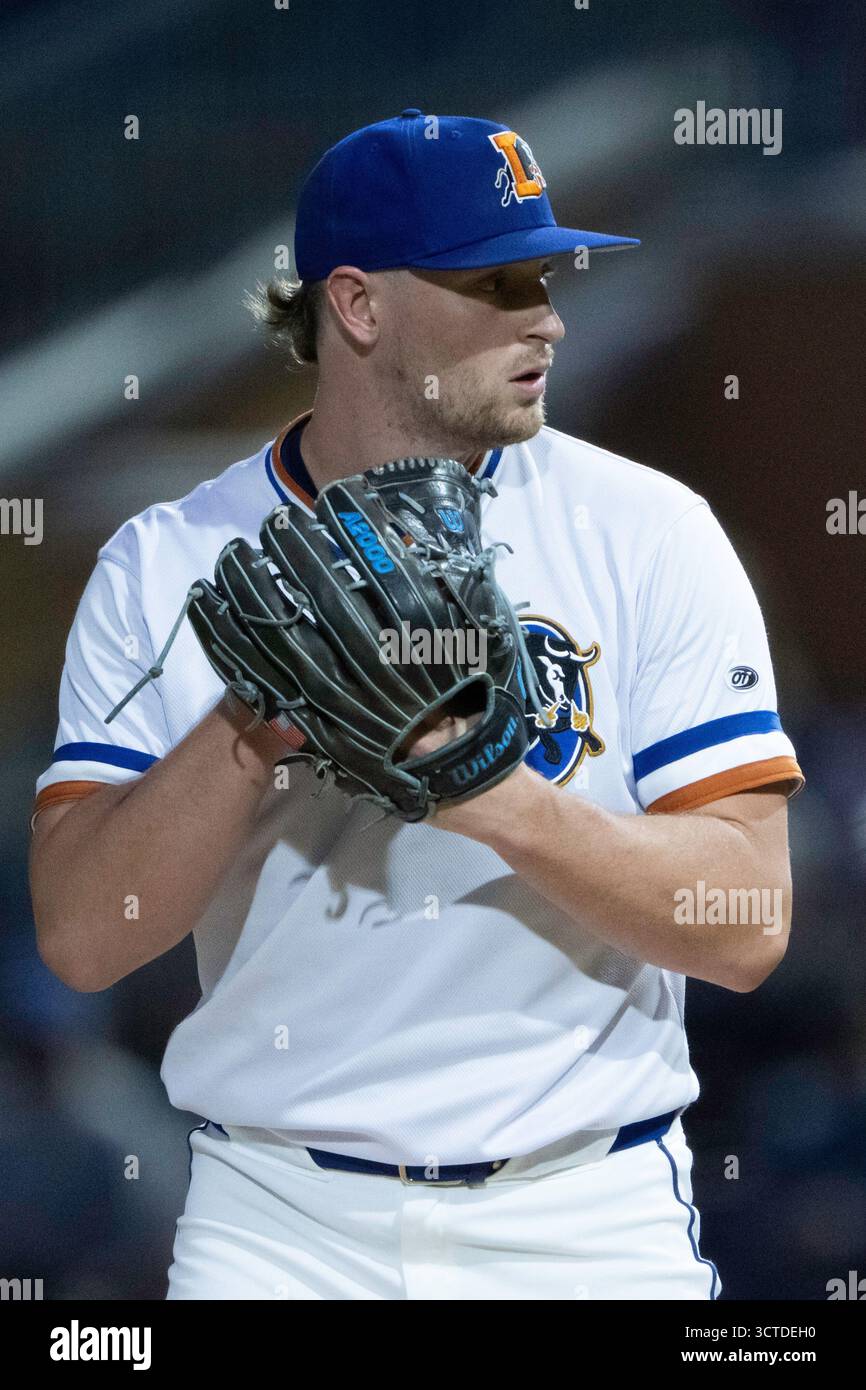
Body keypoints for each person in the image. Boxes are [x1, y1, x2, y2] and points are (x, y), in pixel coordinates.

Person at [30, 110, 803, 1300]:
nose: (543, 315)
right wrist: (253, 720)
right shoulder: (168, 561)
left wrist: (494, 794)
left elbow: (746, 924)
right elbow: (85, 938)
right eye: (492, 282)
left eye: (540, 276)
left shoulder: (645, 529)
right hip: (282, 1222)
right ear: (357, 305)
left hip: (583, 1214)